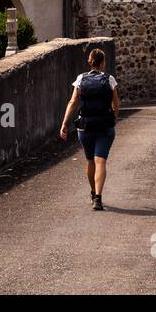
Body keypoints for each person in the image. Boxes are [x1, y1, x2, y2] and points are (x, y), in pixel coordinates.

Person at [59, 47, 119, 210]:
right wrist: (113, 117)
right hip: (104, 126)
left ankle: (93, 192)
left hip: (85, 127)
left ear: (90, 61)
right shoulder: (110, 79)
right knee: (101, 161)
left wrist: (64, 123)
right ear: (103, 62)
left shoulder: (80, 79)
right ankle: (98, 198)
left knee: (90, 161)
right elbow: (115, 104)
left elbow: (72, 102)